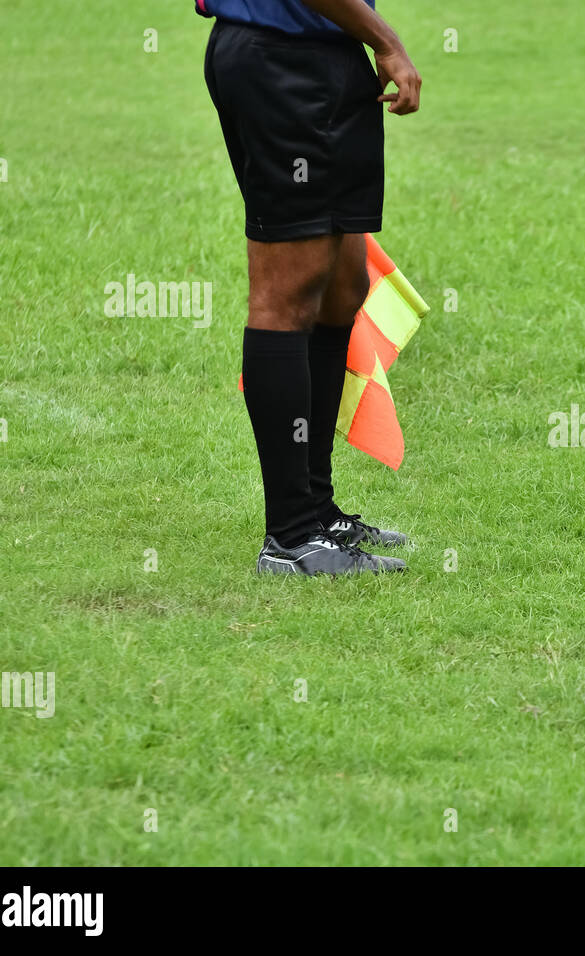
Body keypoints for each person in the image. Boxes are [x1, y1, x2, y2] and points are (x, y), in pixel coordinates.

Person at [197, 0, 422, 575]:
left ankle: (317, 512)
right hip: (284, 62)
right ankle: (291, 537)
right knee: (287, 293)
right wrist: (388, 42)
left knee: (341, 288)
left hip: (322, 56)